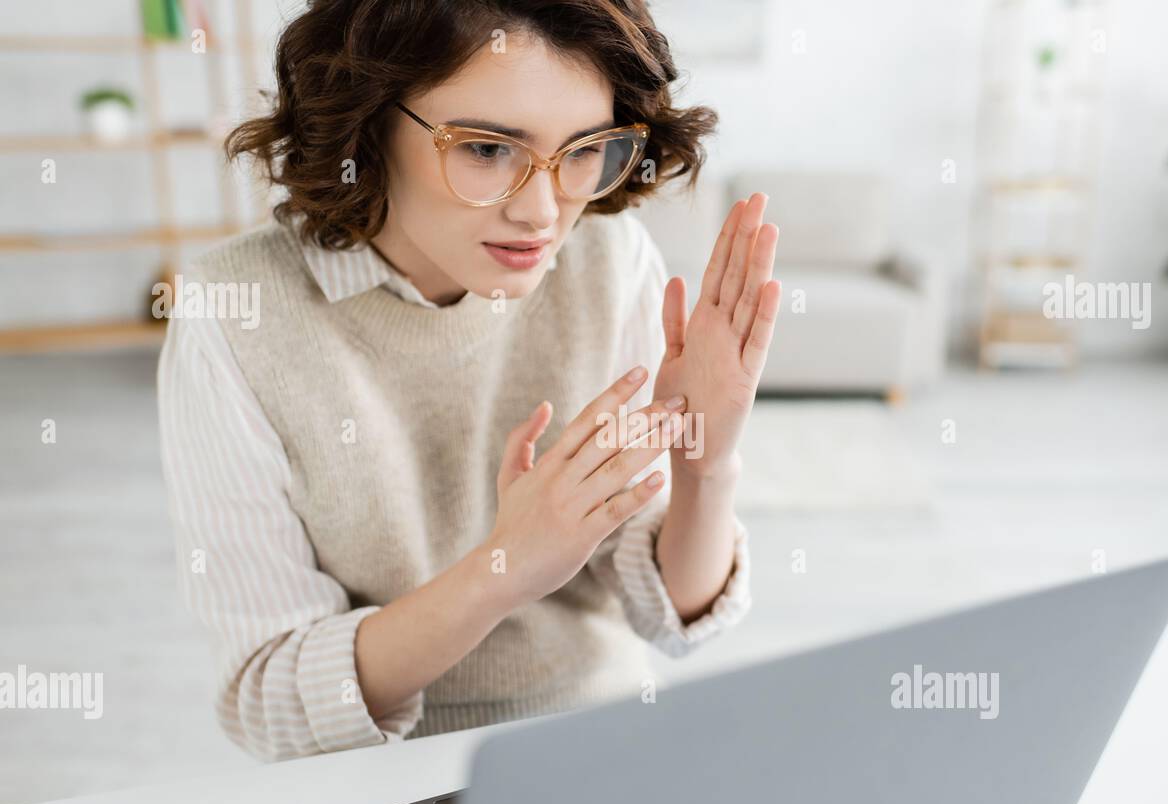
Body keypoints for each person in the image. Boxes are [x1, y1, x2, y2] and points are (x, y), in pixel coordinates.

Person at [157, 0, 782, 760]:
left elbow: (671, 619)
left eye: (584, 149)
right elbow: (269, 701)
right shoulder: (235, 317)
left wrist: (705, 467)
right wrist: (503, 570)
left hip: (596, 741)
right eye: (488, 150)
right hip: (368, 780)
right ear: (368, 120)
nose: (542, 210)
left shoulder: (609, 263)